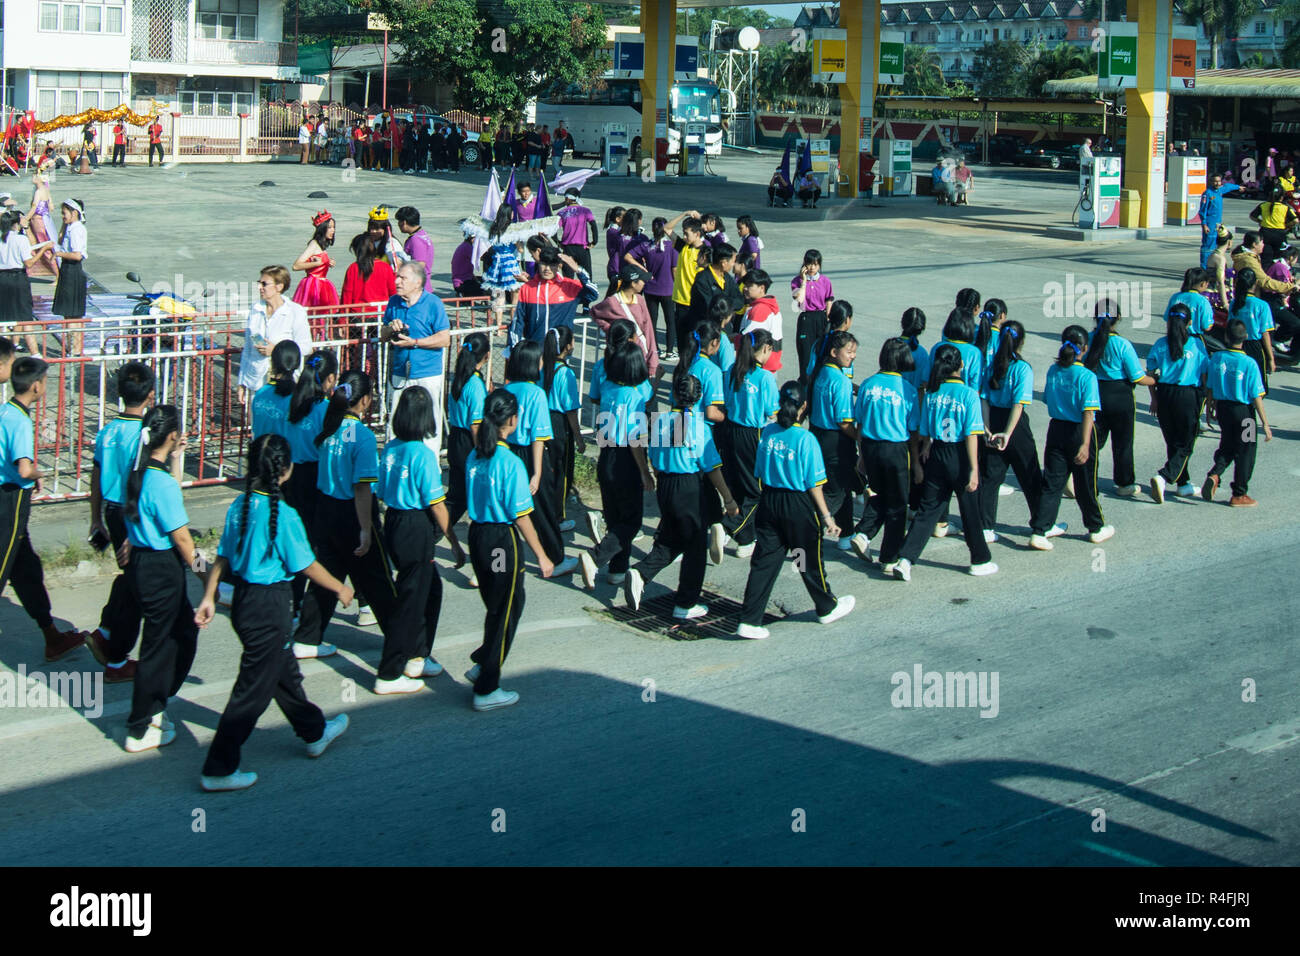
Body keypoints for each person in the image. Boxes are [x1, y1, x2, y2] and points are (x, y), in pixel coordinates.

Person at [194, 435, 353, 791]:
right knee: (252, 692)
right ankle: (218, 767)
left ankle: (314, 731)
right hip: (270, 608)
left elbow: (222, 557)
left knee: (283, 673)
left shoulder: (240, 505)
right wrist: (340, 588)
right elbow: (306, 564)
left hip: (245, 604)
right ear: (285, 470)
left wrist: (209, 596)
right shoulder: (285, 515)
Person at [735, 380, 855, 639]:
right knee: (807, 559)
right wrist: (827, 517)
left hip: (769, 504)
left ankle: (749, 620)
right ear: (804, 407)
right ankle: (826, 606)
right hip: (798, 508)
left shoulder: (767, 432)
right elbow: (814, 485)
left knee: (764, 562)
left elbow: (759, 472)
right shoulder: (806, 439)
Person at [291, 371, 397, 659]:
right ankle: (404, 645)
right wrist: (365, 528)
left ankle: (307, 637)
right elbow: (362, 487)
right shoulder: (360, 435)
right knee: (379, 579)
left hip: (327, 509)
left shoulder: (330, 427)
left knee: (326, 575)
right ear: (364, 400)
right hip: (353, 513)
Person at [464, 389, 554, 711]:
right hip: (501, 543)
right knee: (507, 607)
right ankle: (487, 687)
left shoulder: (475, 456)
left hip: (476, 537)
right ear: (512, 420)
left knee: (497, 605)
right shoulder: (510, 463)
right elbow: (521, 516)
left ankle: (483, 661)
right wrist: (542, 555)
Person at [373, 386, 465, 694]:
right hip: (415, 526)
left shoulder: (391, 448)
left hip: (394, 522)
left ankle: (418, 654)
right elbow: (436, 503)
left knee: (430, 590)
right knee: (410, 602)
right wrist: (453, 539)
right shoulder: (423, 455)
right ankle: (390, 671)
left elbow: (383, 492)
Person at [623, 373, 739, 616]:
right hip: (687, 486)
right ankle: (685, 603)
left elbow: (652, 455)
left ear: (675, 394)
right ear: (698, 398)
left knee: (673, 538)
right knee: (696, 545)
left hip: (665, 484)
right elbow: (712, 468)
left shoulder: (660, 421)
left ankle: (641, 572)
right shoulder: (696, 425)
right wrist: (728, 499)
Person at [121, 404, 200, 753]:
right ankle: (141, 724)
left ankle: (157, 703)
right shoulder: (160, 483)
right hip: (161, 568)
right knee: (158, 646)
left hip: (142, 563)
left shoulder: (139, 473)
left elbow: (164, 495)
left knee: (181, 633)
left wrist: (176, 457)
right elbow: (182, 538)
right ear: (171, 435)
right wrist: (205, 572)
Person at [0, 357, 84, 661]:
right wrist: (39, 474)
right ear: (37, 387)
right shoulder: (20, 420)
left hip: (8, 500)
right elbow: (23, 469)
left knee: (26, 571)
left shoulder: (5, 410)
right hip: (9, 503)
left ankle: (52, 638)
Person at [893, 344, 996, 580]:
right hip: (959, 455)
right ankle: (979, 559)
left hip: (937, 453)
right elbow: (972, 434)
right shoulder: (969, 394)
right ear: (961, 365)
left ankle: (906, 558)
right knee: (970, 511)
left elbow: (925, 431)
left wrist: (927, 448)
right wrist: (974, 469)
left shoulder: (931, 393)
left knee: (928, 511)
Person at [81, 361, 155, 681]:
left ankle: (105, 630)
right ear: (151, 395)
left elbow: (96, 478)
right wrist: (132, 533)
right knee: (138, 589)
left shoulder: (107, 431)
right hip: (130, 513)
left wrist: (95, 518)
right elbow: (139, 485)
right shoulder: (144, 435)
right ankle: (116, 660)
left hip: (111, 511)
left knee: (129, 577)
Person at [978, 322, 1064, 545]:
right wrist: (1008, 433)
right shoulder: (1022, 368)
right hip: (1014, 428)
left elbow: (984, 399)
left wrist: (987, 430)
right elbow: (1018, 404)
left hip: (993, 420)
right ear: (1021, 341)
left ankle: (985, 526)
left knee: (990, 477)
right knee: (1029, 475)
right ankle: (1042, 525)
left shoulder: (992, 366)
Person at [578, 339, 654, 589]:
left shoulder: (609, 389)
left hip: (606, 454)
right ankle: (595, 557)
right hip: (625, 460)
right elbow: (635, 439)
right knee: (631, 521)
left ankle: (617, 570)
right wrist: (645, 472)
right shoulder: (635, 397)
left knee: (616, 518)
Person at [1030, 327, 1113, 550]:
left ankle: (1040, 530)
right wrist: (1085, 443)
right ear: (1084, 349)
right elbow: (1088, 412)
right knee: (1085, 484)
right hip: (1080, 431)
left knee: (1053, 483)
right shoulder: (1087, 376)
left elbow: (1048, 399)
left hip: (1056, 428)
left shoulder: (1053, 371)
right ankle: (1095, 527)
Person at [503, 341, 578, 576]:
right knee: (544, 509)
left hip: (506, 452)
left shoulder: (505, 390)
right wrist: (537, 472)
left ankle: (498, 562)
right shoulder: (536, 393)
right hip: (530, 455)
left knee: (506, 510)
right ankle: (555, 558)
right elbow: (538, 437)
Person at [849, 338, 920, 569]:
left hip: (870, 447)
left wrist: (861, 454)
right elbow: (913, 430)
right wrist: (916, 461)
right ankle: (889, 556)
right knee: (898, 503)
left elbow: (859, 422)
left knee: (878, 494)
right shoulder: (907, 390)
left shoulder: (868, 385)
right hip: (895, 449)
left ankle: (864, 534)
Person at [1083, 300, 1155, 496]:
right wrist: (1155, 379)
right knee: (1123, 442)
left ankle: (1086, 480)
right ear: (1119, 318)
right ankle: (1124, 483)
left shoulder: (1087, 340)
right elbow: (1137, 377)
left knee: (1093, 440)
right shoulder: (1123, 344)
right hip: (1121, 395)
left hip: (1095, 393)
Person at [284, 350, 337, 616]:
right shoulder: (326, 409)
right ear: (329, 379)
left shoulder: (295, 405)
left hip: (293, 477)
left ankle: (294, 602)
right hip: (317, 477)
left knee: (298, 539)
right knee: (316, 544)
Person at [719, 329, 777, 558]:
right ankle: (727, 526)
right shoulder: (764, 377)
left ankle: (746, 539)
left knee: (738, 484)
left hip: (731, 430)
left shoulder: (733, 371)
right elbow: (771, 410)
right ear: (765, 349)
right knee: (756, 491)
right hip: (754, 435)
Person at [1201, 319, 1272, 506]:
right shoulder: (1249, 363)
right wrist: (1265, 423)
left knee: (1228, 444)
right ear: (1246, 337)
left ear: (1226, 337)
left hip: (1223, 409)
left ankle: (1215, 473)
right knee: (1246, 450)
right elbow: (1256, 396)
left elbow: (1209, 385)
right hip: (1244, 414)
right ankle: (1239, 493)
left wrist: (1209, 408)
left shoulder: (1217, 358)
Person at [379, 260, 451, 446]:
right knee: (395, 423)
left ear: (417, 282)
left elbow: (445, 338)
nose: (397, 282)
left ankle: (429, 467)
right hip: (400, 373)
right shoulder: (394, 302)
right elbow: (383, 335)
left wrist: (416, 343)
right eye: (397, 277)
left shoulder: (433, 303)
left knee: (428, 427)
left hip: (427, 374)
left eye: (403, 278)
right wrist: (390, 328)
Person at [1147, 304, 1210, 503]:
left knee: (1173, 440)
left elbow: (1150, 373)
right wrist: (1209, 399)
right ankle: (1164, 476)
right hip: (1187, 395)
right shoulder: (1196, 344)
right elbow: (1205, 373)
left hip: (1164, 393)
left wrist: (1154, 398)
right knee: (1186, 443)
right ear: (1190, 323)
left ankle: (1183, 484)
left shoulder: (1159, 343)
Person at [807, 330, 860, 549]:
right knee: (835, 491)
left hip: (818, 435)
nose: (853, 356)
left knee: (843, 486)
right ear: (834, 352)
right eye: (849, 352)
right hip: (836, 441)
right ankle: (809, 530)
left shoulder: (820, 374)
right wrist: (860, 438)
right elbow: (844, 422)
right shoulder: (840, 380)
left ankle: (846, 533)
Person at [239, 265, 312, 406]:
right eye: (259, 283)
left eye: (264, 284)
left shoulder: (295, 312)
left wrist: (277, 351)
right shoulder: (255, 310)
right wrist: (242, 382)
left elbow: (306, 347)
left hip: (285, 383)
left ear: (279, 286)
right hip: (257, 381)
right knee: (258, 426)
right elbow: (247, 348)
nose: (260, 287)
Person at [507, 245, 599, 350]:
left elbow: (593, 293)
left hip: (560, 353)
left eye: (552, 265)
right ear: (538, 262)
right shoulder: (527, 288)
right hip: (535, 352)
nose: (547, 269)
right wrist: (514, 349)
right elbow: (518, 321)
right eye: (543, 264)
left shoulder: (570, 286)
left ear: (559, 265)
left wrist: (578, 270)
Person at [446, 333, 489, 530]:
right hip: (467, 443)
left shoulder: (459, 379)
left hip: (454, 437)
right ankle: (435, 530)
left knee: (456, 494)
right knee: (463, 498)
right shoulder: (475, 385)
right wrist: (483, 449)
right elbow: (475, 425)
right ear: (487, 356)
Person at [340, 225, 397, 373]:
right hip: (380, 317)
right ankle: (380, 379)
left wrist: (341, 322)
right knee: (381, 353)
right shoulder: (385, 267)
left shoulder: (353, 268)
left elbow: (346, 298)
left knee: (356, 354)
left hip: (358, 318)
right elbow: (393, 293)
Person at [543, 327, 583, 533]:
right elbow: (571, 411)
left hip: (544, 422)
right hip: (559, 425)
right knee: (562, 473)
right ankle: (559, 517)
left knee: (547, 471)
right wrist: (579, 438)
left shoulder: (544, 368)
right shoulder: (565, 373)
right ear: (568, 346)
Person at [591, 264, 658, 381]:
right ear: (633, 283)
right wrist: (610, 329)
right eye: (642, 280)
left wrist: (653, 360)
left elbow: (648, 329)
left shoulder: (640, 300)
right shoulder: (612, 302)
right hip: (621, 355)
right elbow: (594, 312)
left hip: (641, 353)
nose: (644, 283)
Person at [628, 215, 679, 360]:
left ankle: (655, 349)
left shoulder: (646, 245)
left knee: (652, 321)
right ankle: (670, 351)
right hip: (668, 289)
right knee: (670, 321)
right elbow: (674, 269)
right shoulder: (671, 247)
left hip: (650, 288)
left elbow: (628, 256)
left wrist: (642, 269)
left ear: (652, 228)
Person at [0, 210, 50, 357]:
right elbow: (29, 263)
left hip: (2, 279)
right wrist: (43, 250)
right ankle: (35, 353)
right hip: (17, 279)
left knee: (4, 318)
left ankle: (5, 354)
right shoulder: (20, 239)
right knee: (24, 316)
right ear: (16, 224)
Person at [290, 211, 339, 337]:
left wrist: (327, 262)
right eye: (329, 227)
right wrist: (316, 264)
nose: (332, 230)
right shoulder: (314, 244)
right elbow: (296, 265)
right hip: (313, 286)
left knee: (319, 320)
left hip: (321, 284)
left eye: (333, 227)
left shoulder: (321, 245)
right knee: (312, 319)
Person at [51, 199, 90, 355]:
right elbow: (60, 240)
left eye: (64, 213)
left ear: (74, 213)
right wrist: (64, 223)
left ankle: (74, 349)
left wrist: (59, 254)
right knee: (69, 312)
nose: (62, 216)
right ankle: (73, 347)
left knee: (73, 313)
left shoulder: (76, 229)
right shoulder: (71, 227)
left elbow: (77, 255)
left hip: (72, 270)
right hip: (67, 270)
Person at [1229, 268, 1277, 391]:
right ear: (1255, 284)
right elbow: (1265, 334)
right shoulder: (1262, 305)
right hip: (1255, 348)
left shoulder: (1234, 303)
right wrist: (1271, 358)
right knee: (1256, 385)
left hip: (1236, 345)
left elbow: (1230, 326)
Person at [792, 250, 834, 380]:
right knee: (805, 353)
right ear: (804, 264)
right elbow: (799, 300)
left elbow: (829, 300)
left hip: (821, 318)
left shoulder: (825, 281)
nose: (812, 267)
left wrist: (828, 317)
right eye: (809, 264)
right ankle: (805, 381)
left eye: (815, 264)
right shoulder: (796, 281)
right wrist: (804, 281)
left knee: (822, 351)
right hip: (806, 318)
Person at [482, 205, 525, 326]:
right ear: (509, 215)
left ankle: (498, 326)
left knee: (499, 296)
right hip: (510, 263)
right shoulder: (512, 230)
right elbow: (520, 250)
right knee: (515, 296)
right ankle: (513, 323)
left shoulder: (492, 229)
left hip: (497, 263)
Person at [251, 340, 300, 441]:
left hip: (261, 451)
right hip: (285, 454)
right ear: (297, 364)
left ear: (273, 362)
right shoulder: (299, 397)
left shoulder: (260, 394)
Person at [671, 215, 707, 347]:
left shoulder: (705, 252)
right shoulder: (683, 247)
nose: (684, 237)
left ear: (697, 234)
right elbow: (667, 228)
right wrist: (685, 214)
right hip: (680, 301)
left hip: (695, 303)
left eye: (687, 234)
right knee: (681, 340)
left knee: (694, 341)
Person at [739, 269, 783, 372]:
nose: (745, 288)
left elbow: (747, 339)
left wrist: (730, 339)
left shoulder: (760, 309)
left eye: (749, 285)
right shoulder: (769, 305)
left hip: (760, 366)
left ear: (762, 288)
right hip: (770, 362)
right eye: (745, 285)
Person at [21, 166, 58, 280]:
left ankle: (57, 275)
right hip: (44, 219)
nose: (32, 178)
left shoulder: (38, 191)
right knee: (42, 244)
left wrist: (26, 218)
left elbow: (34, 207)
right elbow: (51, 206)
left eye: (34, 175)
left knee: (42, 245)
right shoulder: (45, 190)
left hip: (38, 220)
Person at [1199, 173, 1240, 268]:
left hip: (1218, 224)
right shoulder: (1207, 193)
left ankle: (1213, 266)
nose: (1217, 183)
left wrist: (1238, 187)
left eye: (1219, 181)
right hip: (1210, 224)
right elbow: (1202, 210)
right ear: (1211, 182)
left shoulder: (1220, 190)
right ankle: (1204, 268)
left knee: (1218, 246)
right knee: (1207, 246)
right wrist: (1204, 224)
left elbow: (1228, 186)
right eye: (1215, 181)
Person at [556, 189, 597, 281]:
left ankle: (569, 295)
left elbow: (554, 230)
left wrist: (558, 242)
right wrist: (594, 241)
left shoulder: (562, 213)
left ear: (567, 199)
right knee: (586, 276)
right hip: (583, 248)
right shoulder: (585, 211)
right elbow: (593, 225)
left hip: (568, 248)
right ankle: (587, 294)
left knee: (568, 277)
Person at [1248, 184, 1296, 261]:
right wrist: (1287, 225)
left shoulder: (1263, 205)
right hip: (1279, 234)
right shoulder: (1285, 208)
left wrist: (1260, 221)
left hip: (1265, 234)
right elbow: (1295, 220)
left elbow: (1252, 216)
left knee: (1265, 258)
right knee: (1279, 258)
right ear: (1281, 197)